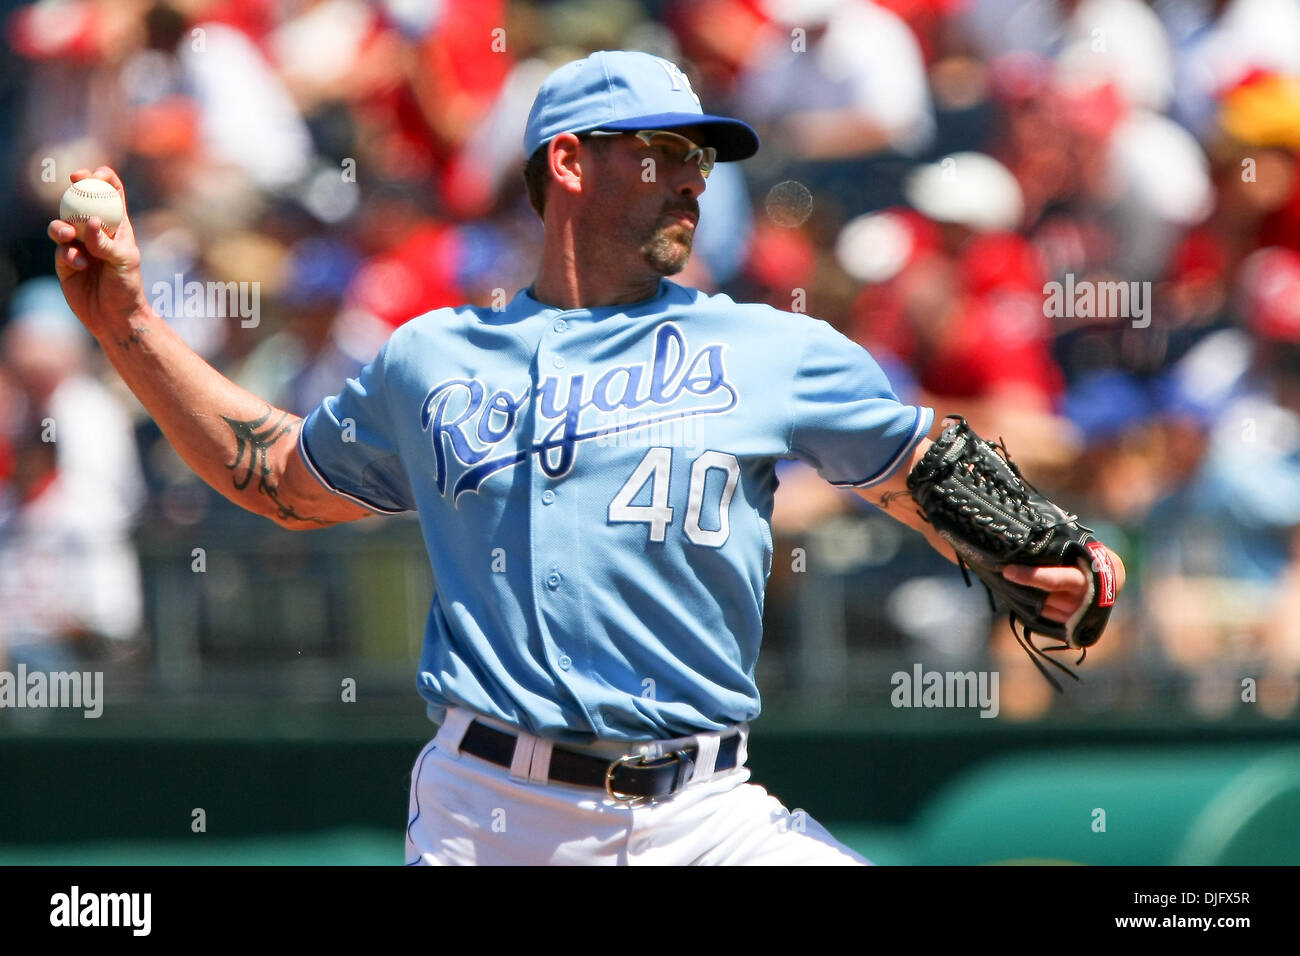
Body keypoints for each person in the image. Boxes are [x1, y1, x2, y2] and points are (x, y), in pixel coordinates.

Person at [49, 50, 1124, 865]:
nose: (693, 183)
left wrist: (1054, 554)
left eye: (700, 160)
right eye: (661, 154)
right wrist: (131, 329)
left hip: (706, 814)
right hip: (490, 816)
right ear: (567, 162)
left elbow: (917, 466)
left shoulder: (769, 346)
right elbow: (280, 480)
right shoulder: (432, 359)